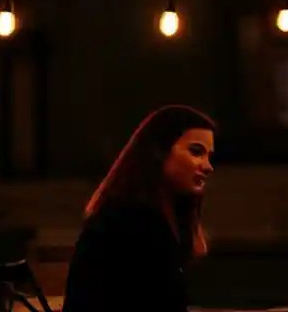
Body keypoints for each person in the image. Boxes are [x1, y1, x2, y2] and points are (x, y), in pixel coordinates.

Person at [61, 105, 217, 312]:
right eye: (196, 152)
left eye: (209, 156)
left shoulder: (156, 217)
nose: (208, 166)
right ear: (159, 151)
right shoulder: (129, 221)